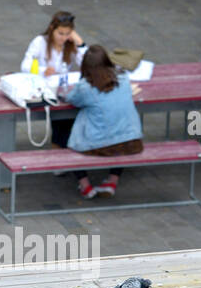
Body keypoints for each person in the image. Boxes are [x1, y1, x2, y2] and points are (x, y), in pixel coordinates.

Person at [57, 46, 143, 199]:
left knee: (63, 132)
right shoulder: (123, 78)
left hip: (100, 146)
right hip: (132, 142)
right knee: (120, 129)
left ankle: (85, 184)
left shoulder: (85, 87)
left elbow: (71, 99)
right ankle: (112, 180)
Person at [22, 11, 87, 78]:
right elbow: (25, 66)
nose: (64, 38)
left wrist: (80, 44)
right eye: (60, 33)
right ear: (52, 28)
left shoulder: (71, 44)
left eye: (67, 34)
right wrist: (43, 70)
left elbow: (88, 65)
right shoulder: (40, 41)